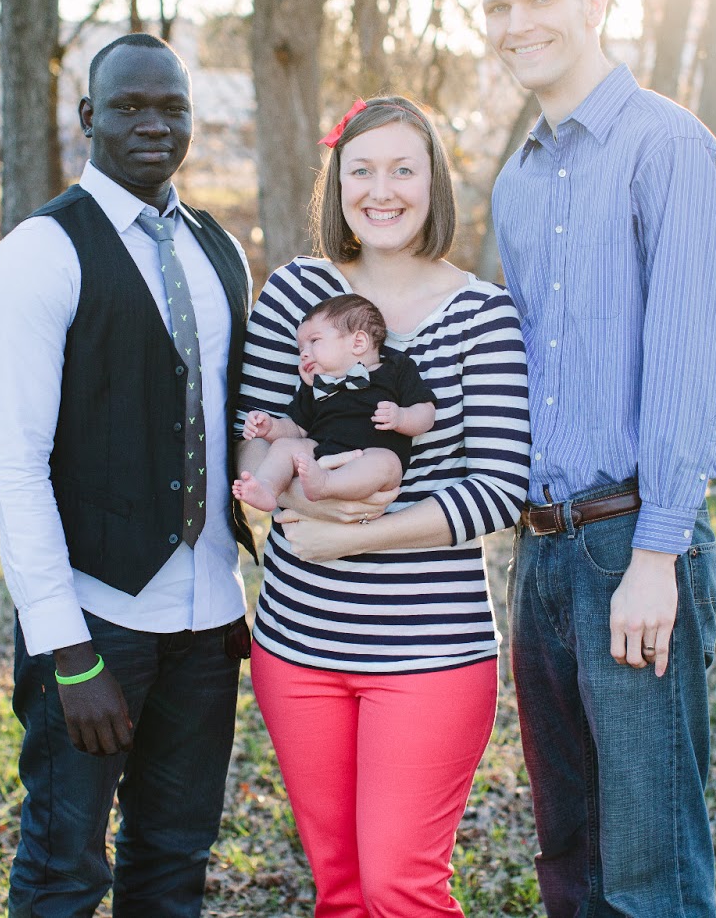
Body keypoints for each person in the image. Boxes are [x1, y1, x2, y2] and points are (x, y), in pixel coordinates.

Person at [479, 0, 716, 918]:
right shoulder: (517, 180)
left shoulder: (664, 146)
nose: (517, 23)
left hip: (635, 539)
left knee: (648, 863)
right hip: (541, 552)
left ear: (592, 5)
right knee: (570, 854)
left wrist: (656, 555)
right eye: (498, 5)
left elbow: (684, 363)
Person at [0, 32, 256, 918]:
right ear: (90, 117)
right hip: (97, 619)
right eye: (130, 106)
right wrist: (68, 650)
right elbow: (13, 468)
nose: (153, 124)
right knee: (64, 871)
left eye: (172, 108)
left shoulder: (222, 251)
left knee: (175, 864)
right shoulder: (40, 251)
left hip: (209, 619)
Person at [235, 95, 532, 916]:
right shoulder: (296, 291)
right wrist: (295, 486)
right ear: (337, 185)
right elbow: (252, 436)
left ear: (434, 182)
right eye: (361, 170)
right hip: (297, 643)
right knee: (337, 892)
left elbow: (502, 488)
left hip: (430, 653)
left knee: (401, 889)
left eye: (404, 168)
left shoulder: (485, 314)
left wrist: (353, 537)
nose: (383, 189)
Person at [233, 292, 437, 513]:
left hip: (372, 454)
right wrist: (271, 427)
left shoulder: (396, 369)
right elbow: (297, 430)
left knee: (388, 463)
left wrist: (402, 417)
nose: (304, 354)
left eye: (314, 342)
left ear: (358, 342)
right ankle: (267, 487)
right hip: (320, 451)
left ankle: (325, 484)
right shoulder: (314, 387)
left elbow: (425, 411)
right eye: (301, 349)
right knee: (285, 446)